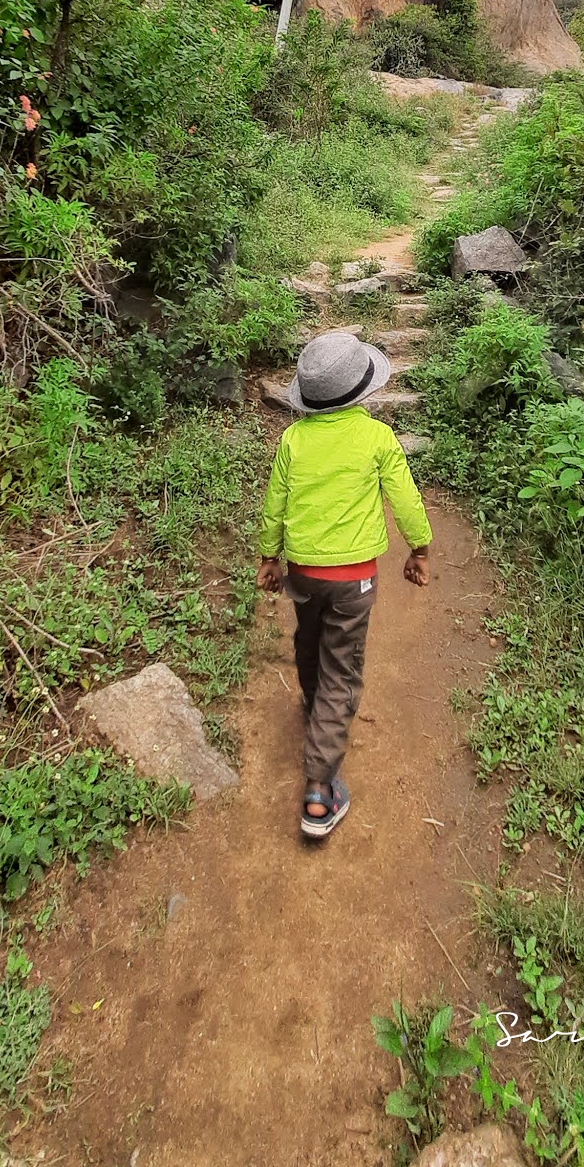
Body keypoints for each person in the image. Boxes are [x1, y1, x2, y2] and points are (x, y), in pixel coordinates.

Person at [256, 327, 432, 839]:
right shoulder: (376, 437)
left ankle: (316, 709)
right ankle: (318, 792)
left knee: (308, 642)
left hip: (304, 573)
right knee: (341, 668)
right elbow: (405, 499)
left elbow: (276, 503)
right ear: (362, 390)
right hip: (354, 582)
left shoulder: (294, 439)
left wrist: (269, 557)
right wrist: (419, 549)